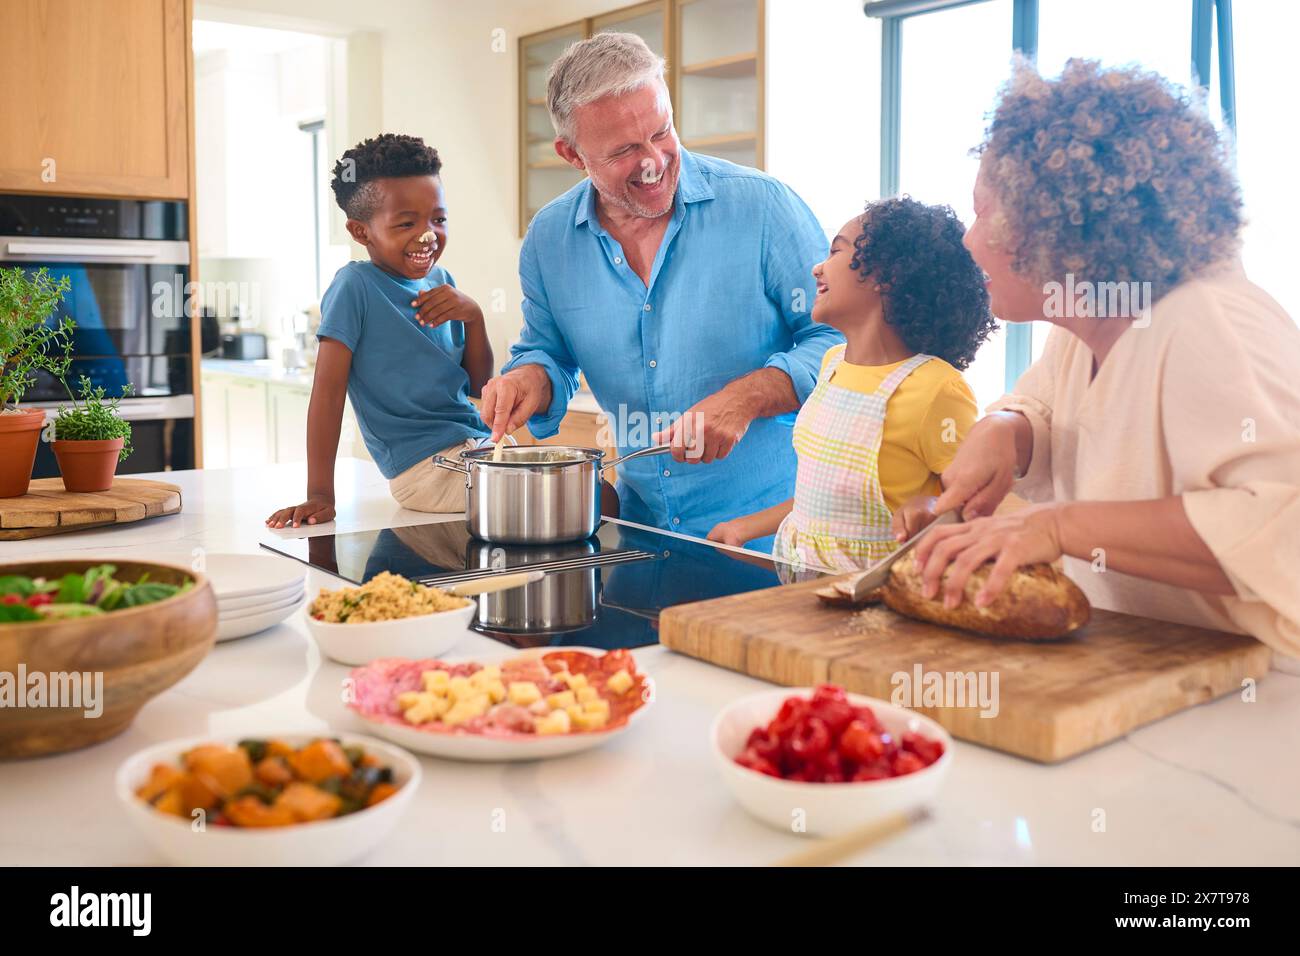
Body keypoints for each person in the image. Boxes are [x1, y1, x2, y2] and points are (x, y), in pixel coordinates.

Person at [900, 59, 1300, 658]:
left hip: (1255, 702)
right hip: (1143, 672)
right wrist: (1005, 432)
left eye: (983, 212)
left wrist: (1057, 526)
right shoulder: (1086, 326)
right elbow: (1047, 408)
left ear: (1058, 229)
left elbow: (1281, 524)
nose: (968, 239)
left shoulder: (1206, 321)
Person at [478, 32, 842, 547]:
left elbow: (842, 345)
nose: (653, 160)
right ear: (572, 154)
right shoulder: (549, 240)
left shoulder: (762, 208)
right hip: (641, 535)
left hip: (775, 538)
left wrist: (748, 397)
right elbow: (548, 352)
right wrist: (528, 381)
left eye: (662, 131)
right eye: (625, 150)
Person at [708, 197, 994, 574]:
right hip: (804, 600)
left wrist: (929, 510)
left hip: (880, 610)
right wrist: (745, 527)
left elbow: (974, 504)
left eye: (835, 251)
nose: (816, 268)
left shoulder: (936, 388)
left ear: (885, 275)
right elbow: (822, 498)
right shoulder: (832, 365)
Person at [266, 134, 491, 529]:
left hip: (475, 447)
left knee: (582, 489)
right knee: (576, 497)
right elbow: (328, 393)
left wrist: (474, 317)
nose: (427, 234)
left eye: (438, 219)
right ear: (360, 232)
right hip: (425, 470)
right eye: (406, 223)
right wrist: (320, 494)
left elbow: (479, 383)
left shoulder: (441, 282)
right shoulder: (355, 287)